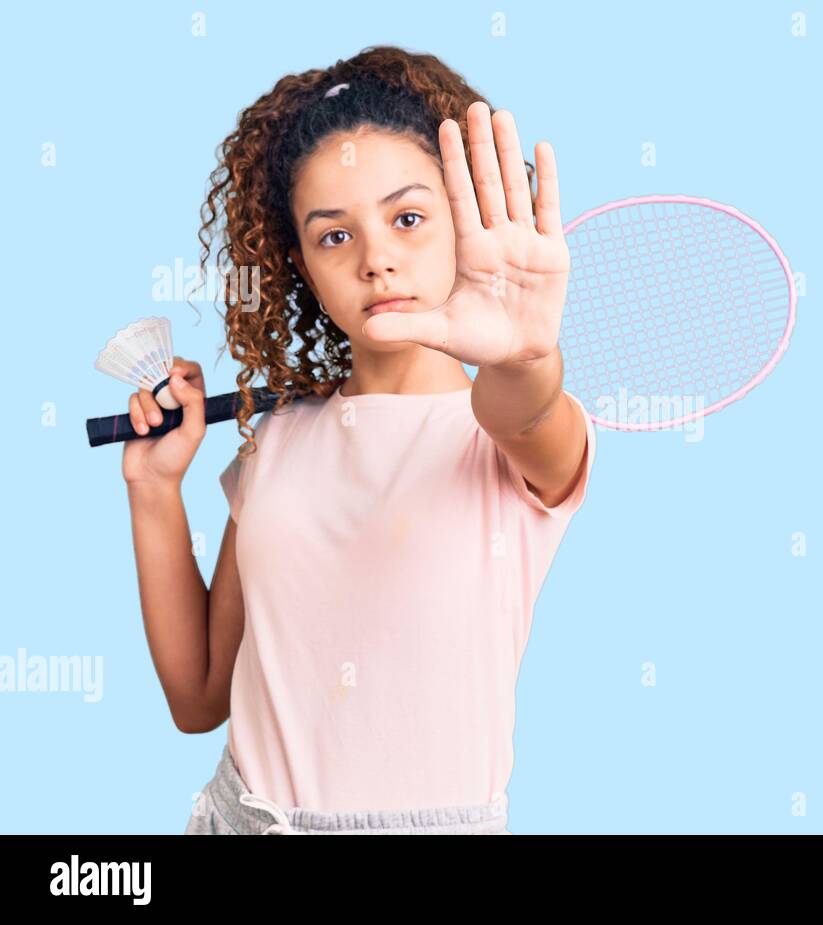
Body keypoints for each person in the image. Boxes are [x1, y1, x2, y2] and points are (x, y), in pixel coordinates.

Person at [121, 46, 595, 834]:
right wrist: (154, 488)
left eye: (408, 218)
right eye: (333, 236)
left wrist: (526, 351)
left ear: (465, 218)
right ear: (299, 262)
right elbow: (199, 696)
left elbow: (528, 411)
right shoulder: (276, 441)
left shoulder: (508, 435)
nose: (377, 258)